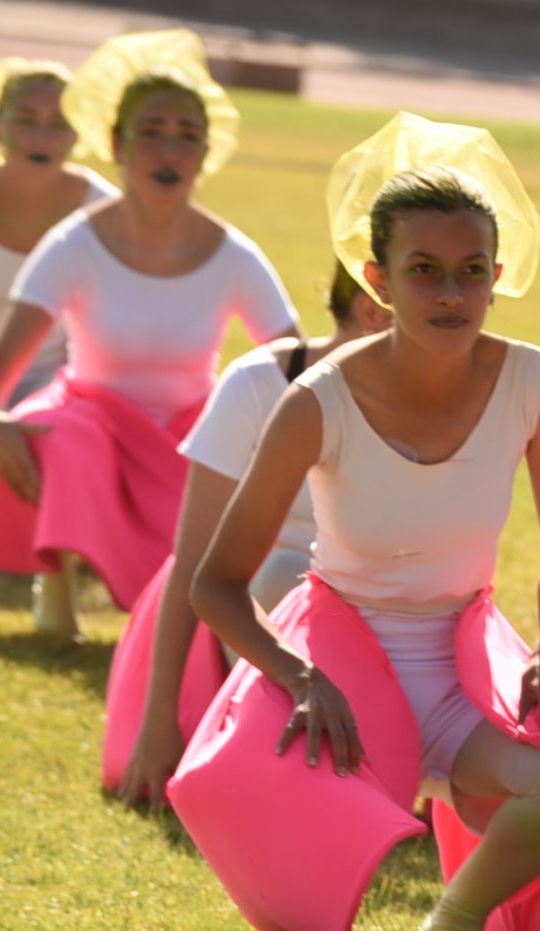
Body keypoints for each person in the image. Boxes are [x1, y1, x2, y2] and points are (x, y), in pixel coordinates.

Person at [175, 116, 540, 931]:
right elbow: (214, 583)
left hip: (463, 666)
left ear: (498, 277)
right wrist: (297, 677)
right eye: (424, 271)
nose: (451, 294)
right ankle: (319, 874)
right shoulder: (315, 400)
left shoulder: (536, 381)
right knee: (301, 913)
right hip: (338, 659)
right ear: (378, 280)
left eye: (473, 271)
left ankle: (459, 915)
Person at [0, 31, 297, 638]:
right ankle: (54, 586)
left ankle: (191, 602)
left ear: (205, 152)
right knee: (64, 427)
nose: (169, 150)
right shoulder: (76, 241)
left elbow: (296, 365)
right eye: (152, 131)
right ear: (116, 144)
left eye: (187, 136)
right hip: (91, 421)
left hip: (186, 429)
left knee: (224, 472)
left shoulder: (233, 253)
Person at [107, 261, 392, 806]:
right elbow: (193, 562)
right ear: (373, 310)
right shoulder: (258, 383)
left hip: (367, 619)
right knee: (286, 571)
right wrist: (159, 719)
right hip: (239, 620)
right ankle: (268, 758)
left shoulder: (434, 400)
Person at [0, 60, 116, 474]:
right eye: (26, 120)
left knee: (54, 437)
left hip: (55, 370)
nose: (41, 136)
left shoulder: (103, 207)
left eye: (58, 123)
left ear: (77, 135)